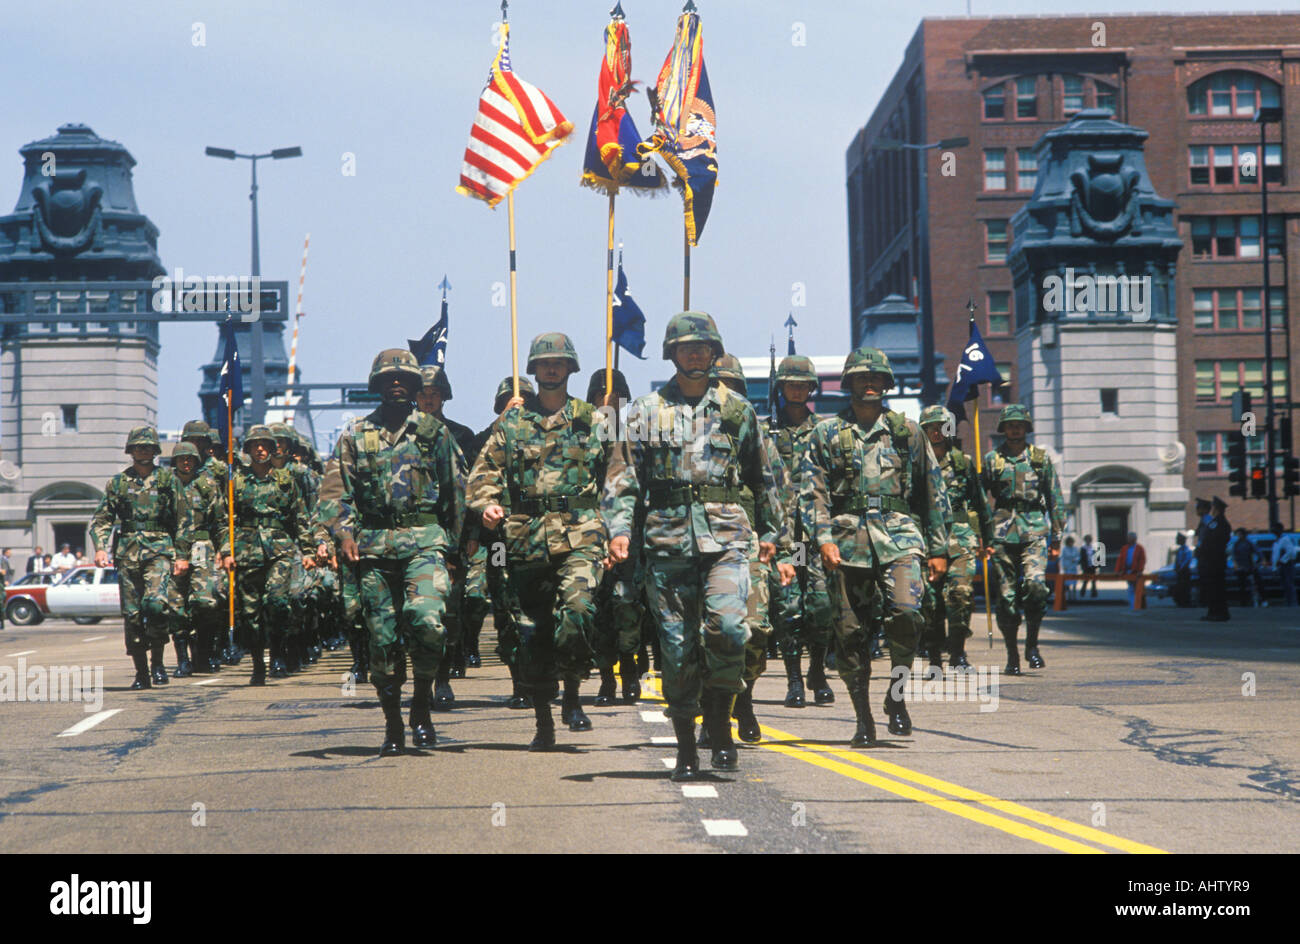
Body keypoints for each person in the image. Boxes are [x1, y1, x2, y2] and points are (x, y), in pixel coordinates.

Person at [606, 312, 795, 780]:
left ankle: (720, 722)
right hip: (666, 544)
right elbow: (623, 479)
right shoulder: (645, 411)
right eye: (686, 348)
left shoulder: (736, 410)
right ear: (672, 354)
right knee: (675, 649)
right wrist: (619, 530)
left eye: (703, 347)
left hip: (727, 541)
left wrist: (776, 538)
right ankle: (687, 745)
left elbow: (764, 477)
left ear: (714, 353)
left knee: (730, 632)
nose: (695, 354)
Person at [468, 334, 609, 749]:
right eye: (544, 363)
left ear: (570, 369)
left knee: (579, 611)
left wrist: (615, 529)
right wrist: (488, 504)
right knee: (533, 632)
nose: (551, 369)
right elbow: (481, 476)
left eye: (559, 363)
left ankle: (573, 694)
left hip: (580, 533)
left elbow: (617, 476)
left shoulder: (593, 420)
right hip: (525, 538)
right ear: (533, 369)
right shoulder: (511, 424)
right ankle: (544, 719)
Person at [803, 348, 948, 746]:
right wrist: (823, 538)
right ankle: (863, 717)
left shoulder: (908, 432)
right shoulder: (826, 434)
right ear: (848, 383)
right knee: (850, 634)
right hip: (846, 543)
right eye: (862, 378)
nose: (870, 384)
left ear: (887, 384)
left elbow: (932, 491)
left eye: (877, 378)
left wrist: (939, 548)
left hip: (900, 537)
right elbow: (812, 493)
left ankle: (896, 696)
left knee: (907, 613)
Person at [332, 349, 465, 756]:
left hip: (424, 542)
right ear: (377, 386)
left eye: (403, 380)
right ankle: (392, 721)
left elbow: (457, 490)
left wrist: (456, 550)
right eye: (388, 379)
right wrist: (344, 534)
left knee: (427, 622)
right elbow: (336, 492)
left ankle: (421, 704)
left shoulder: (433, 433)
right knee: (382, 639)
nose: (396, 385)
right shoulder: (355, 434)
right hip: (372, 547)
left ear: (413, 387)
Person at [711, 353, 790, 743]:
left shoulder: (756, 437)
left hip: (752, 546)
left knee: (756, 630)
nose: (726, 394)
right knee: (713, 632)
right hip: (703, 546)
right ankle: (717, 712)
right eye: (718, 385)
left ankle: (745, 696)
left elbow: (776, 498)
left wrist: (785, 551)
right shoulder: (690, 436)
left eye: (733, 387)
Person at [218, 426, 328, 685]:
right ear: (247, 450)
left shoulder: (284, 480)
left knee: (277, 602)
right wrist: (225, 552)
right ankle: (257, 662)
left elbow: (301, 517)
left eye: (265, 445)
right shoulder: (237, 482)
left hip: (280, 550)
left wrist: (309, 550)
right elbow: (225, 520)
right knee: (250, 612)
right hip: (246, 551)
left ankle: (278, 654)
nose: (260, 449)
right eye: (255, 445)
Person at [90, 426, 192, 689]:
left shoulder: (169, 481)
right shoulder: (118, 483)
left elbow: (183, 520)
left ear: (156, 450)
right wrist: (100, 547)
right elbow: (102, 519)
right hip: (128, 555)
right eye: (138, 446)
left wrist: (181, 555)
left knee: (156, 606)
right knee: (133, 615)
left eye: (148, 446)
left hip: (159, 552)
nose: (143, 450)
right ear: (131, 450)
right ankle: (141, 671)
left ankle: (157, 662)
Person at [769, 355, 836, 708]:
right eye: (790, 383)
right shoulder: (766, 431)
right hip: (785, 539)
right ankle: (794, 678)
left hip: (816, 535)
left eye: (803, 384)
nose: (797, 389)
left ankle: (818, 670)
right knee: (788, 607)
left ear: (811, 387)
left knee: (821, 605)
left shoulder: (826, 431)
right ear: (781, 387)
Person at [981, 404, 1066, 674]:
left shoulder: (1040, 459)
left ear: (1026, 427)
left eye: (1019, 424)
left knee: (1036, 587)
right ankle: (1012, 655)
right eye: (1010, 424)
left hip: (1034, 529)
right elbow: (979, 500)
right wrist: (981, 536)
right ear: (1003, 428)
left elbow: (1056, 498)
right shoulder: (992, 460)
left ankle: (1032, 645)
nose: (1015, 428)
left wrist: (1057, 537)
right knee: (1005, 599)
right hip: (1002, 532)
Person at [416, 366, 478, 706]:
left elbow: (468, 490)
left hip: (449, 534)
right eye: (423, 394)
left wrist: (469, 534)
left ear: (444, 396)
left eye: (434, 394)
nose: (428, 399)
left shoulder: (461, 436)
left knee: (449, 610)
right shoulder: (402, 434)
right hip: (410, 535)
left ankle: (442, 676)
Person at [586, 367, 645, 707]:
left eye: (616, 397)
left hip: (629, 533)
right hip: (588, 530)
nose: (608, 401)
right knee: (598, 609)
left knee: (626, 602)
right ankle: (606, 677)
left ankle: (629, 668)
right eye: (601, 396)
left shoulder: (638, 434)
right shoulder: (580, 433)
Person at [918, 405, 990, 672]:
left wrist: (987, 537)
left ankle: (958, 653)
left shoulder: (962, 462)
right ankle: (935, 658)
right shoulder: (915, 463)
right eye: (930, 428)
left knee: (960, 595)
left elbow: (980, 503)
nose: (936, 432)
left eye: (941, 427)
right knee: (931, 602)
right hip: (926, 540)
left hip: (960, 538)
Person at [168, 442, 226, 674]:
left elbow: (221, 520)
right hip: (171, 548)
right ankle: (183, 659)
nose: (186, 462)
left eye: (190, 458)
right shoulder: (166, 484)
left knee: (204, 602)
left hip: (202, 548)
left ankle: (204, 652)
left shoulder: (207, 485)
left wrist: (225, 549)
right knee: (175, 605)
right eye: (181, 458)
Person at [1196, 498, 1231, 622]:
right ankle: (1214, 611)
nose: (1213, 510)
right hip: (1212, 559)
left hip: (1214, 560)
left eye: (1214, 507)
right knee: (1213, 587)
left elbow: (1212, 541)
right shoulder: (1216, 522)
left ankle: (1218, 612)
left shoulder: (1219, 523)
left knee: (1216, 588)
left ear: (1217, 509)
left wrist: (1203, 551)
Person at [1114, 531, 1147, 608]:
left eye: (1129, 538)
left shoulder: (1140, 548)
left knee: (1138, 589)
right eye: (1128, 538)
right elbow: (1120, 560)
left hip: (1136, 571)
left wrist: (1140, 571)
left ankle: (1138, 605)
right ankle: (1133, 606)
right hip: (1127, 571)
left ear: (1134, 539)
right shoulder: (1124, 548)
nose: (1128, 539)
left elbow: (1142, 560)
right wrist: (1118, 571)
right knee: (1131, 589)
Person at [1230, 528, 1260, 608]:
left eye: (1240, 534)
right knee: (1241, 585)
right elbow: (1233, 556)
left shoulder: (1249, 543)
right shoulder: (1236, 544)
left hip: (1249, 567)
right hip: (1240, 568)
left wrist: (1256, 563)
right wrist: (1235, 565)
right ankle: (1243, 601)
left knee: (1251, 585)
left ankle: (1252, 601)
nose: (1239, 536)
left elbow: (1257, 552)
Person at [1271, 522, 1297, 607]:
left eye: (1275, 528)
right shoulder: (1276, 542)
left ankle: (1292, 602)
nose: (1273, 530)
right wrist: (1274, 568)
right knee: (1284, 584)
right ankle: (1287, 600)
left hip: (1287, 564)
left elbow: (1291, 552)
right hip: (1281, 566)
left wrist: (1282, 560)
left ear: (1280, 530)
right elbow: (1274, 557)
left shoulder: (1285, 539)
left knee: (1289, 583)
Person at [1173, 532, 1193, 608]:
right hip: (1180, 571)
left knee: (1185, 587)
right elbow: (1177, 560)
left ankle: (1185, 602)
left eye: (1178, 539)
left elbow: (1187, 560)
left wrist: (1180, 568)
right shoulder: (1180, 549)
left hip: (1184, 572)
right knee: (1180, 587)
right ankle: (1180, 601)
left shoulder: (1186, 549)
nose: (1176, 540)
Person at [1060, 535, 1081, 602]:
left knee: (1074, 581)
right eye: (1069, 542)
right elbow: (1062, 558)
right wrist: (1064, 566)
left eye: (1072, 542)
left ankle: (1074, 595)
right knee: (1068, 582)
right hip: (1067, 566)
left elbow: (1078, 556)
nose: (1071, 543)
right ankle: (1069, 595)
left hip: (1074, 566)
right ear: (1067, 542)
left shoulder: (1075, 548)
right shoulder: (1064, 549)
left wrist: (1075, 560)